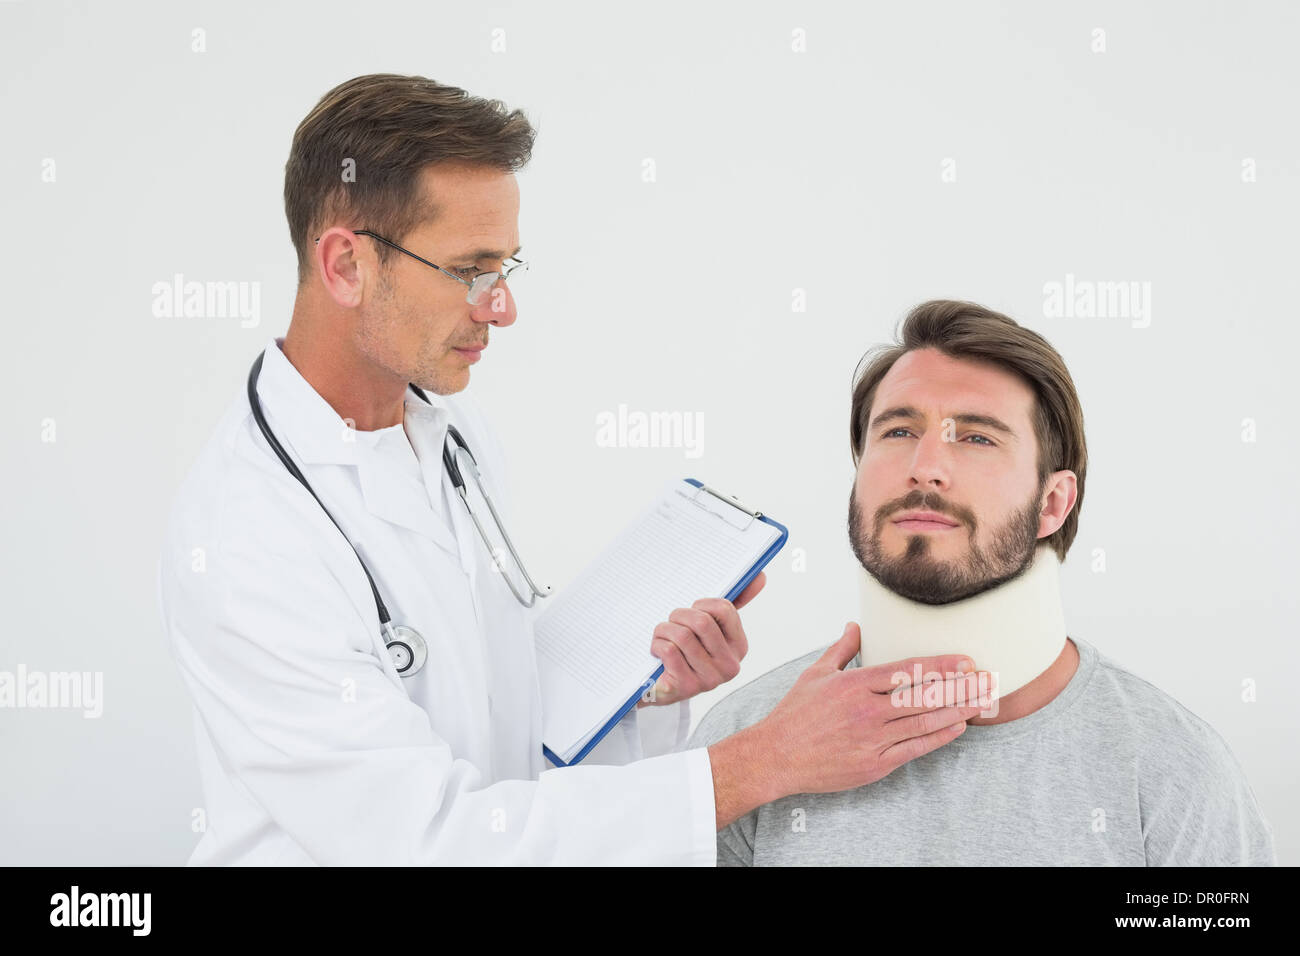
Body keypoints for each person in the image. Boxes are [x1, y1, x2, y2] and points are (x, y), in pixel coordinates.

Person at [156, 75, 985, 865]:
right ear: (345, 265)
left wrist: (644, 696)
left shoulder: (455, 436)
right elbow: (432, 844)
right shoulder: (245, 536)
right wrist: (762, 762)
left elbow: (506, 739)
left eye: (506, 267)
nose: (502, 306)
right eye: (470, 270)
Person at [688, 299, 1278, 866]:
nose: (926, 465)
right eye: (897, 431)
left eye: (976, 437)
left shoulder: (1171, 768)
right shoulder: (748, 745)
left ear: (1052, 503)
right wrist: (761, 762)